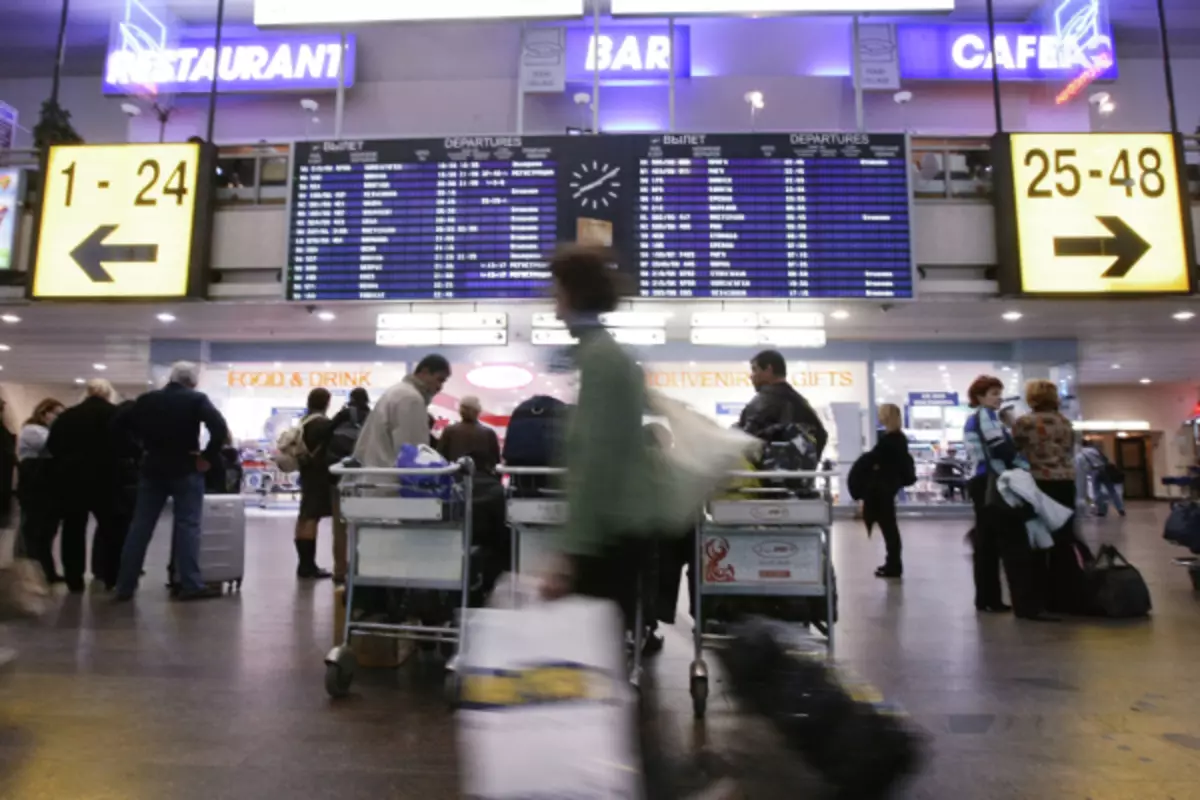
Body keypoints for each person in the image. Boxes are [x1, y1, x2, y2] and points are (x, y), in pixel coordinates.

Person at [539, 246, 671, 798]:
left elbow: (594, 463)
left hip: (609, 537)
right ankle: (635, 777)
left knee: (595, 669)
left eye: (556, 292)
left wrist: (570, 551)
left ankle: (636, 780)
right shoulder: (606, 356)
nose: (552, 303)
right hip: (622, 532)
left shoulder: (601, 361)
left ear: (572, 295)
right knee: (603, 666)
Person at [114, 362, 229, 602]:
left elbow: (118, 424)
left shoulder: (147, 400)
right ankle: (190, 583)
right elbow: (219, 428)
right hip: (185, 466)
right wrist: (207, 457)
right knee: (188, 525)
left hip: (152, 467)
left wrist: (139, 450)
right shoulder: (196, 400)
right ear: (193, 381)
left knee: (140, 527)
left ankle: (125, 585)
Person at [46, 379, 120, 593]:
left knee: (73, 530)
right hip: (106, 479)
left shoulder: (68, 416)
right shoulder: (114, 414)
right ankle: (109, 575)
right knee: (110, 529)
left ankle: (74, 579)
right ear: (108, 393)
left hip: (72, 479)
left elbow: (53, 446)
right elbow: (126, 445)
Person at [1013, 380, 1078, 614]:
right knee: (1063, 539)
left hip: (1039, 483)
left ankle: (1038, 598)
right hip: (1065, 482)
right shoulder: (1065, 422)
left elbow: (1014, 450)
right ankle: (1064, 596)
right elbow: (1069, 449)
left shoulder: (1025, 423)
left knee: (1038, 540)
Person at [963, 375, 1017, 615]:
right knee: (991, 542)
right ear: (980, 397)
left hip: (980, 480)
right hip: (990, 481)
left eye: (999, 393)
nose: (998, 398)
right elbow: (1000, 448)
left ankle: (985, 598)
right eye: (994, 393)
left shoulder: (973, 419)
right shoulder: (986, 416)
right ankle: (991, 599)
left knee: (985, 542)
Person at [353, 355, 451, 468]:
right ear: (424, 372)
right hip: (388, 478)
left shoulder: (398, 392)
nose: (440, 387)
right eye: (439, 380)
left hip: (374, 472)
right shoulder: (411, 399)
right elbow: (413, 453)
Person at [17, 399, 64, 581]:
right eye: (57, 414)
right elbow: (51, 447)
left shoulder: (47, 431)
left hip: (46, 487)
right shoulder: (32, 430)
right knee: (34, 532)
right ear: (45, 413)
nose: (59, 419)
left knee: (46, 532)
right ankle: (33, 574)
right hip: (34, 485)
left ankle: (47, 572)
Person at [327, 387, 370, 584]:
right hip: (365, 478)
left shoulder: (342, 415)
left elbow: (326, 436)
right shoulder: (371, 417)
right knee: (364, 523)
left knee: (339, 525)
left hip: (339, 476)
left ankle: (339, 569)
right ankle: (362, 566)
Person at [865, 403, 910, 579]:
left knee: (889, 527)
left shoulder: (889, 440)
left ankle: (893, 564)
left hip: (884, 487)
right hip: (890, 486)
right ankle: (892, 562)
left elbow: (876, 460)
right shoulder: (898, 438)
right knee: (889, 526)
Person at [295, 388, 335, 580]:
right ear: (326, 402)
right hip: (318, 474)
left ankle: (304, 563)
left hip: (306, 472)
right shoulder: (322, 424)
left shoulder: (304, 421)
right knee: (312, 517)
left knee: (304, 516)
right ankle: (308, 566)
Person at [438, 396, 501, 475]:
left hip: (455, 478)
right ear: (477, 412)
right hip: (482, 480)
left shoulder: (449, 431)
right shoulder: (488, 433)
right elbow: (495, 461)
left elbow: (440, 456)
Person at [1081, 439, 1126, 517]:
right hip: (1105, 470)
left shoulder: (1081, 452)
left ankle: (1102, 510)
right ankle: (1120, 509)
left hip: (1094, 471)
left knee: (1096, 491)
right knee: (1112, 491)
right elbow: (1105, 459)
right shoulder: (1095, 450)